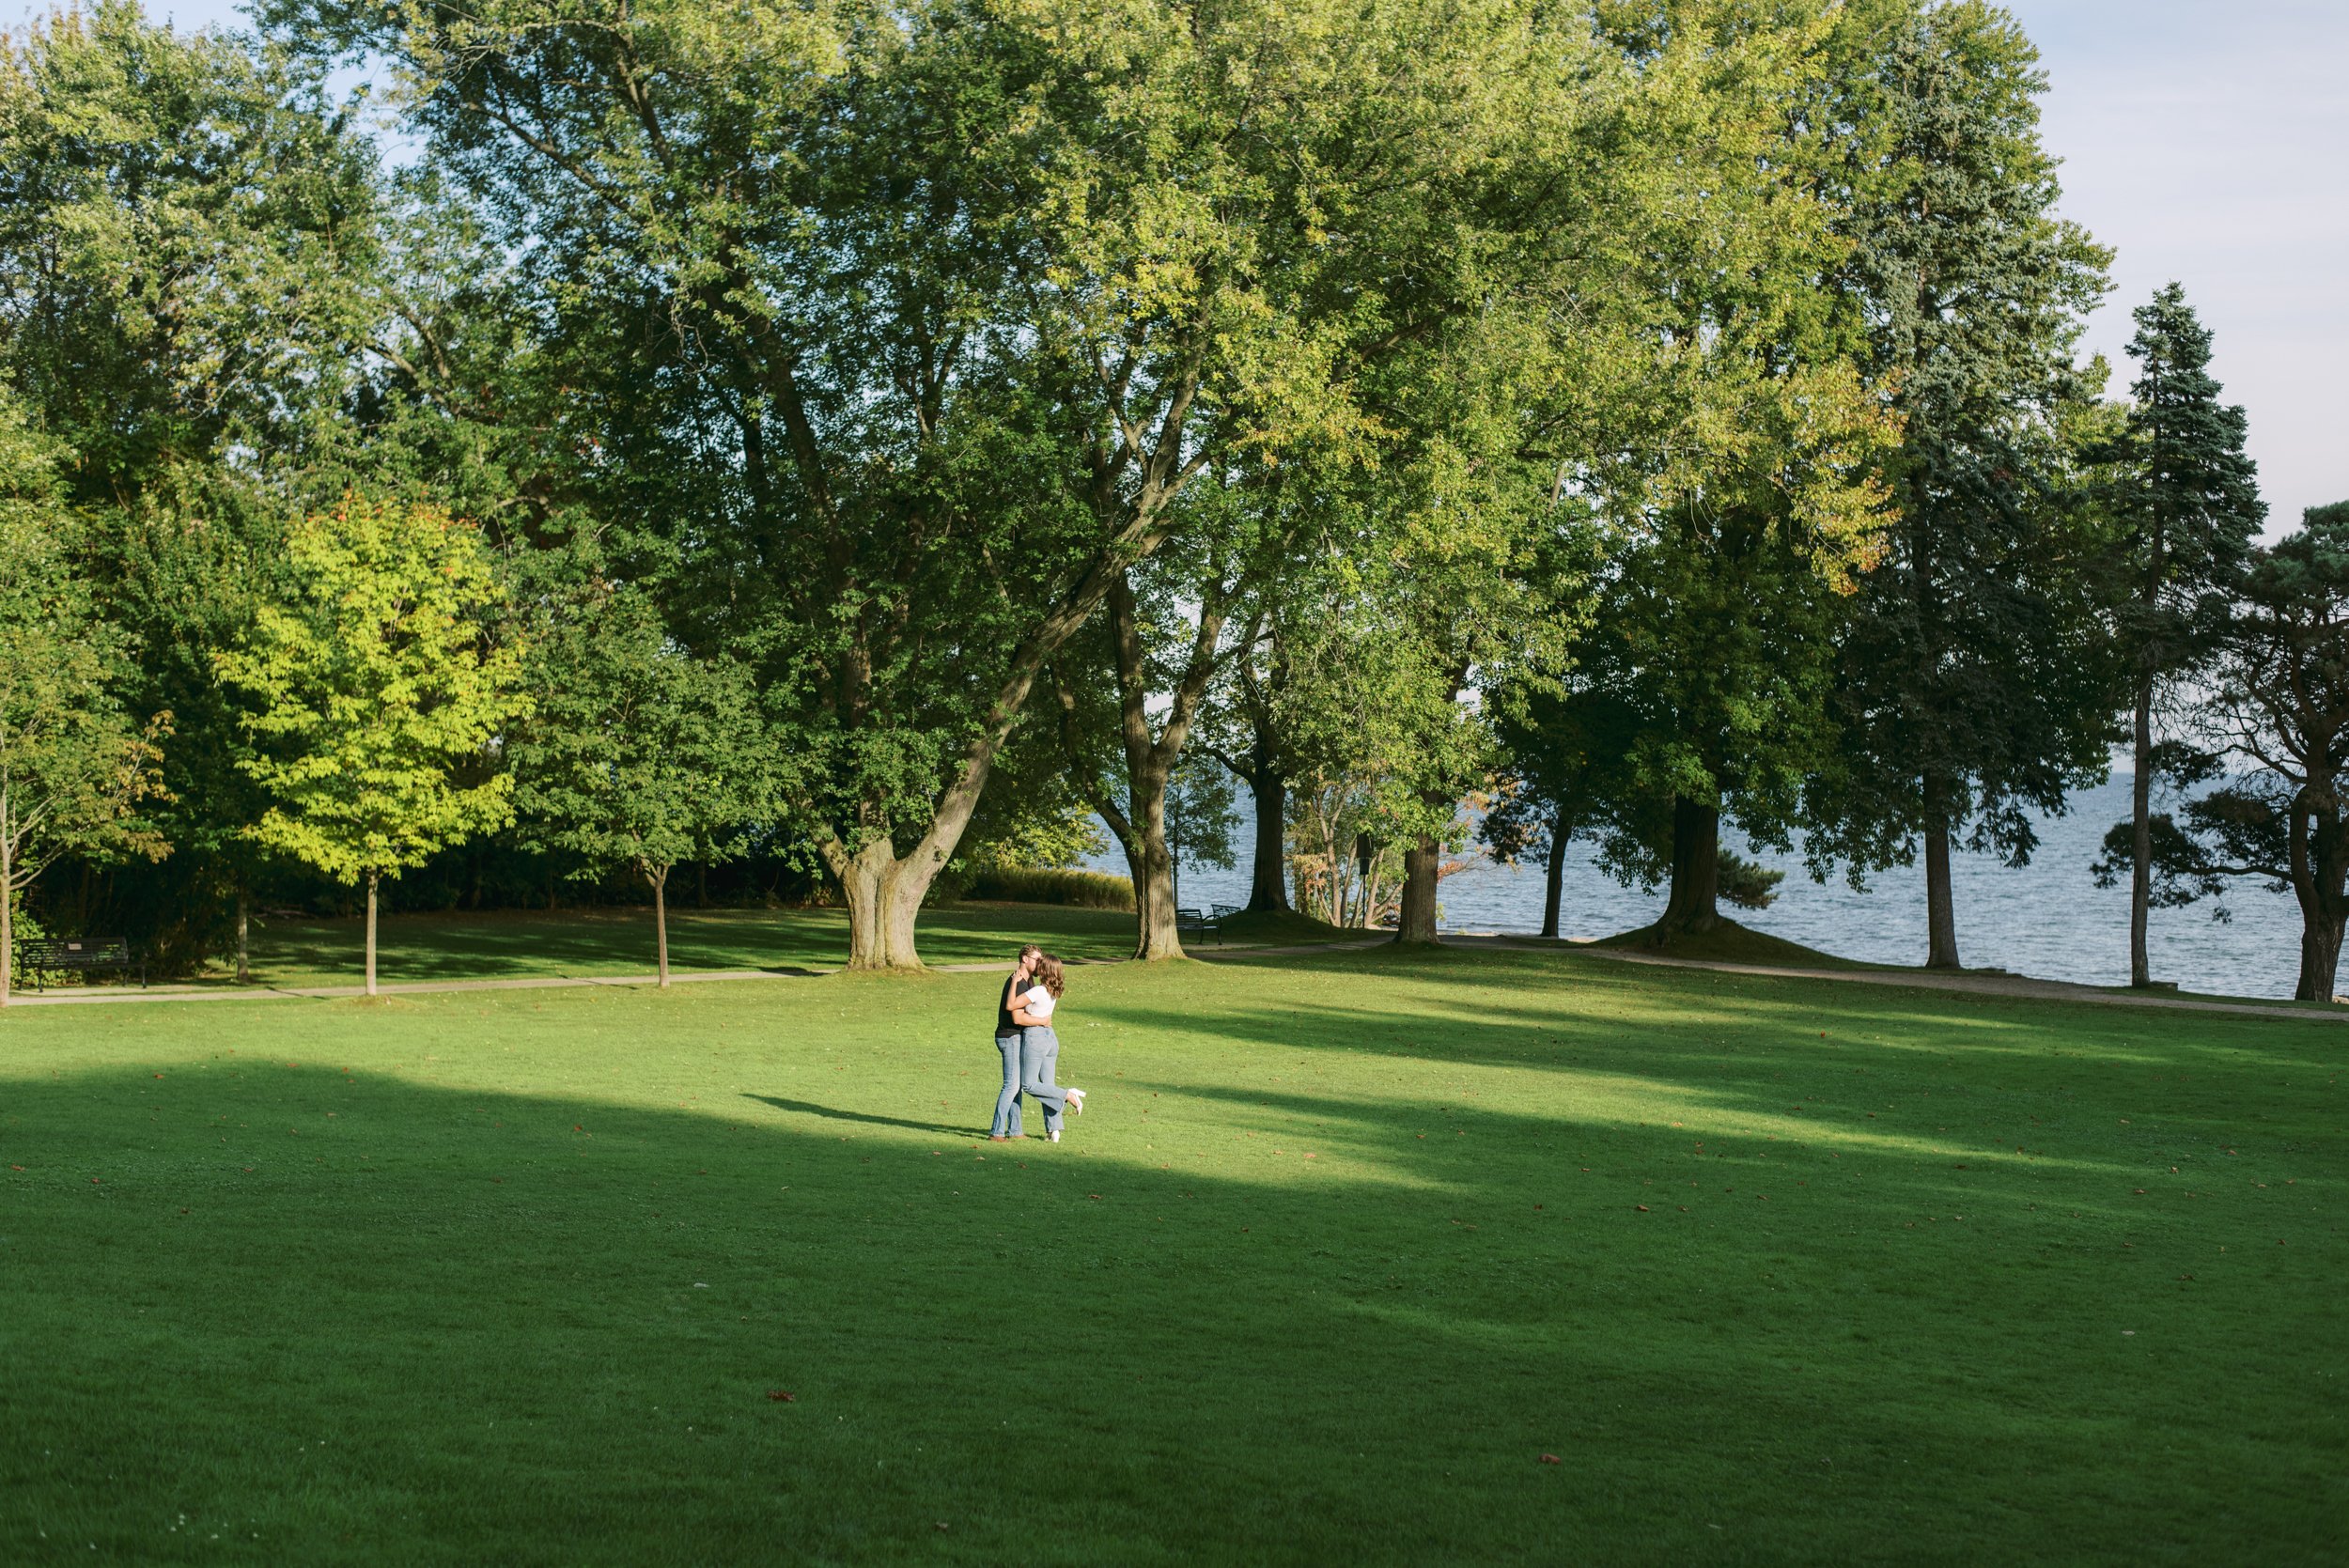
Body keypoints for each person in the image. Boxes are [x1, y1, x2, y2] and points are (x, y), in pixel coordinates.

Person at [1010, 955, 1084, 1142]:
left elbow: (1011, 1005)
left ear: (1044, 970)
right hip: (1050, 1038)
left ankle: (1068, 1094)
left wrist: (1014, 982)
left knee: (1028, 1085)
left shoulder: (1038, 991)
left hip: (1035, 1038)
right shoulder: (1053, 991)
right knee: (1047, 1087)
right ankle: (1054, 1130)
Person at [989, 944, 1043, 1141]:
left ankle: (1015, 1130)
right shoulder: (1018, 982)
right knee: (1011, 1085)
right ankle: (996, 1132)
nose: (1040, 962)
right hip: (1009, 1037)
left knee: (1017, 1085)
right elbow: (1017, 1018)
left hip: (1018, 1037)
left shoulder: (1029, 981)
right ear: (1024, 959)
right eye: (1037, 959)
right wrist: (1042, 1021)